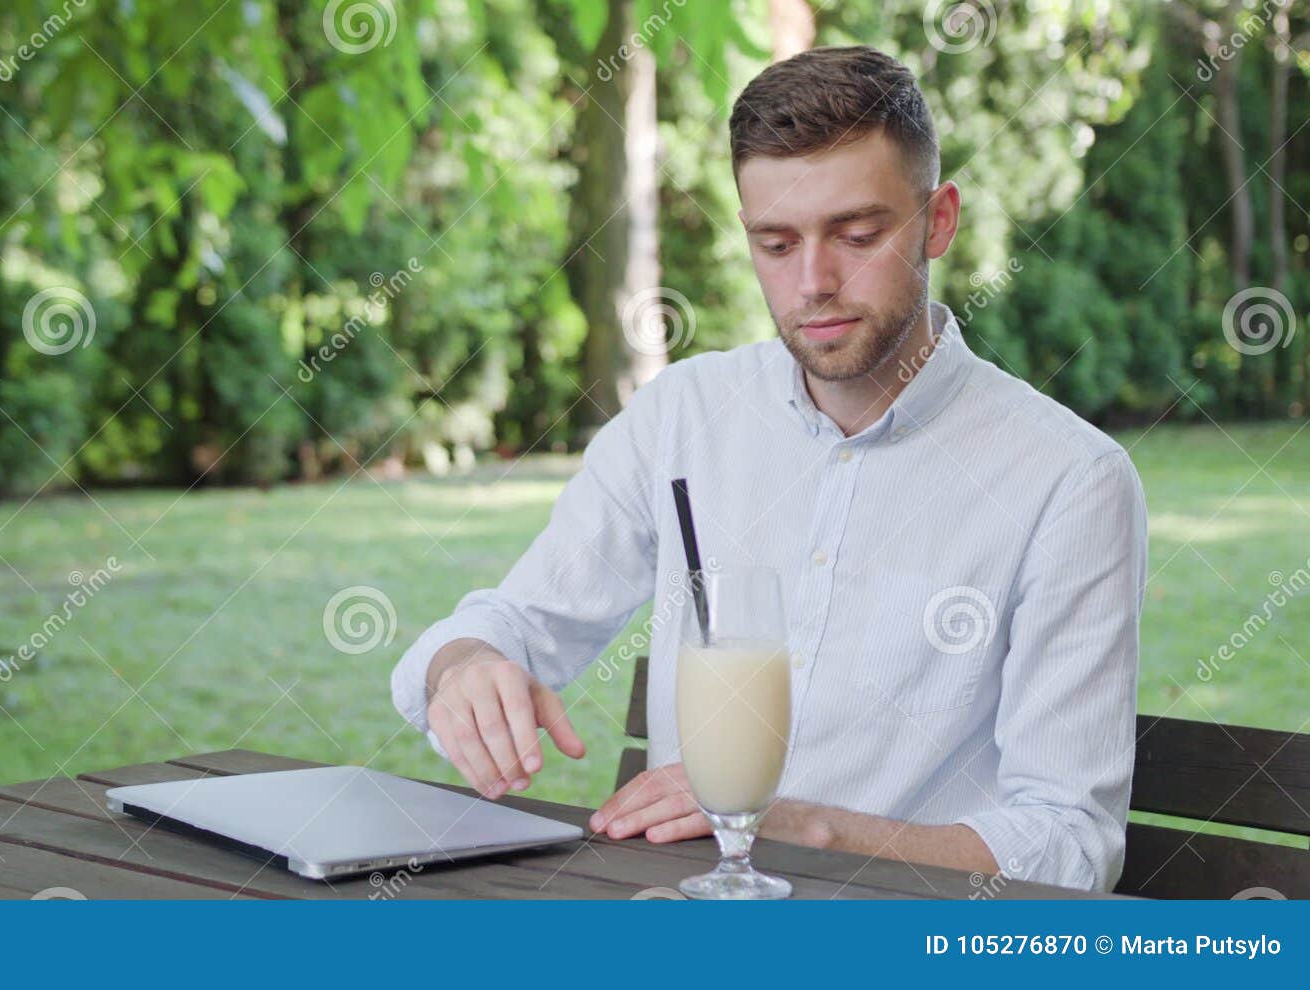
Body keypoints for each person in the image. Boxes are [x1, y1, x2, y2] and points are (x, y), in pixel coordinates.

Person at [389, 45, 1147, 892]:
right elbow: (516, 621)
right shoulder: (684, 415)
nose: (813, 283)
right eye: (776, 244)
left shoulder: (1069, 482)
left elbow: (1072, 844)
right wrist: (466, 665)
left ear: (938, 221)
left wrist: (808, 827)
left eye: (858, 235)